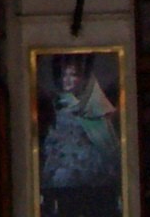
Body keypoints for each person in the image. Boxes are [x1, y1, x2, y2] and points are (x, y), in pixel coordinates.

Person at [40, 56, 121, 217]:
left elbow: (105, 140)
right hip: (61, 185)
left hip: (92, 181)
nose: (67, 80)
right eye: (64, 75)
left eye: (73, 75)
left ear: (81, 78)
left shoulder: (93, 106)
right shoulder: (54, 107)